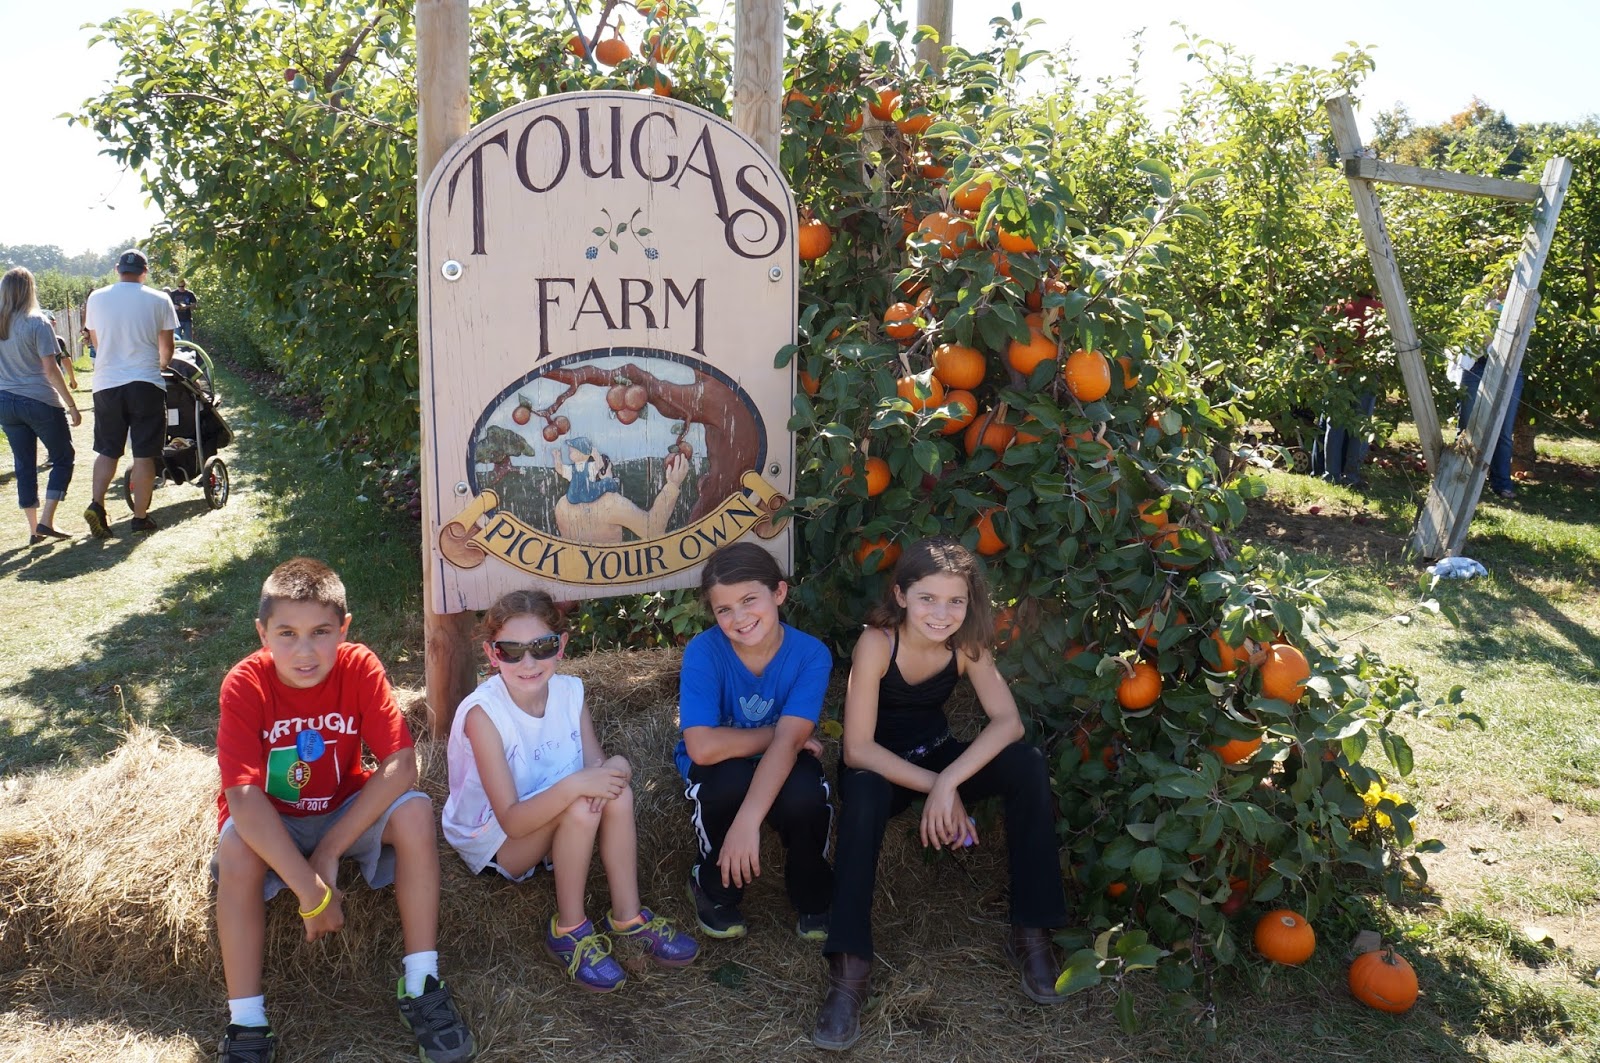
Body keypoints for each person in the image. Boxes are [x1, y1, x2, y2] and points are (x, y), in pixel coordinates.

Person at [212, 558, 477, 1063]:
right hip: (273, 818)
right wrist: (311, 894)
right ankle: (246, 1023)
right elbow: (244, 799)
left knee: (416, 812)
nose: (305, 650)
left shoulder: (359, 666)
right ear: (262, 632)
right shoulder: (245, 683)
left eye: (321, 632)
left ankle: (422, 985)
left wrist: (330, 850)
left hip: (341, 811)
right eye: (286, 633)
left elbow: (402, 766)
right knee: (236, 851)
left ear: (344, 630)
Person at [811, 538, 1069, 1050]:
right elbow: (858, 749)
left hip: (936, 756)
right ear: (901, 595)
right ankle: (849, 970)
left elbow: (1008, 723)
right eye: (928, 598)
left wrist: (950, 780)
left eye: (956, 601)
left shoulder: (968, 643)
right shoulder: (877, 643)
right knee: (861, 803)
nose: (942, 613)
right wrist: (938, 789)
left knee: (1028, 766)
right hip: (879, 770)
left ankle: (1033, 932)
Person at [442, 589, 698, 992]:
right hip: (497, 838)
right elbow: (511, 818)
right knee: (581, 806)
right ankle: (569, 929)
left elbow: (595, 767)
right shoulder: (483, 715)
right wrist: (579, 784)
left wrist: (619, 767)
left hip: (548, 808)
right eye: (511, 651)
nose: (528, 663)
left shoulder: (569, 692)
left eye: (541, 647)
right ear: (492, 655)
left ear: (560, 645)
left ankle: (628, 918)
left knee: (618, 794)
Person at [677, 541, 834, 943]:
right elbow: (702, 747)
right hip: (725, 761)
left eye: (750, 600)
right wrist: (784, 734)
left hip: (781, 754)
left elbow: (785, 748)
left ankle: (813, 894)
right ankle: (714, 887)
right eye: (724, 609)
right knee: (725, 784)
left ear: (779, 593)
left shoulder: (810, 655)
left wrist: (748, 823)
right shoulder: (703, 651)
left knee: (804, 796)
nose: (739, 618)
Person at [83, 248, 177, 536]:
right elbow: (167, 348)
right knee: (144, 454)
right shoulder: (160, 299)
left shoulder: (96, 298)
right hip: (145, 382)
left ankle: (97, 505)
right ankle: (139, 518)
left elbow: (96, 343)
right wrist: (158, 366)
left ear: (117, 269)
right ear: (145, 272)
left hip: (107, 383)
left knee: (108, 450)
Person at [0, 268, 81, 545]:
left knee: (24, 464)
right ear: (30, 290)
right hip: (39, 400)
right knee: (63, 456)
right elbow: (51, 369)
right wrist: (71, 404)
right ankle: (47, 520)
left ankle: (34, 529)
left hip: (5, 402)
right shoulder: (38, 322)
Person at [1309, 291, 1382, 488]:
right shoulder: (1379, 310)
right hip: (1366, 376)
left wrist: (1325, 360)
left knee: (1335, 425)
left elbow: (1313, 334)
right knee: (1360, 425)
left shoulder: (1338, 307)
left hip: (1338, 371)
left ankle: (1330, 475)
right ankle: (1351, 476)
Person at [1460, 287, 1523, 499]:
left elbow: (1519, 337)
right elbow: (1462, 330)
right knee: (1467, 423)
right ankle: (1461, 476)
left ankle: (1501, 482)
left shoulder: (1521, 306)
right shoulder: (1476, 301)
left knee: (1503, 429)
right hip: (1477, 366)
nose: (1501, 288)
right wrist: (1483, 306)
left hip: (1509, 369)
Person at [168, 278, 198, 342]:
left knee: (188, 339)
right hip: (176, 320)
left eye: (182, 286)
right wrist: (174, 306)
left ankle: (187, 350)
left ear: (185, 285)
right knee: (176, 338)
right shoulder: (173, 293)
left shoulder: (189, 294)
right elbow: (168, 305)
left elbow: (195, 304)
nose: (181, 288)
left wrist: (187, 306)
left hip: (187, 319)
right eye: (179, 286)